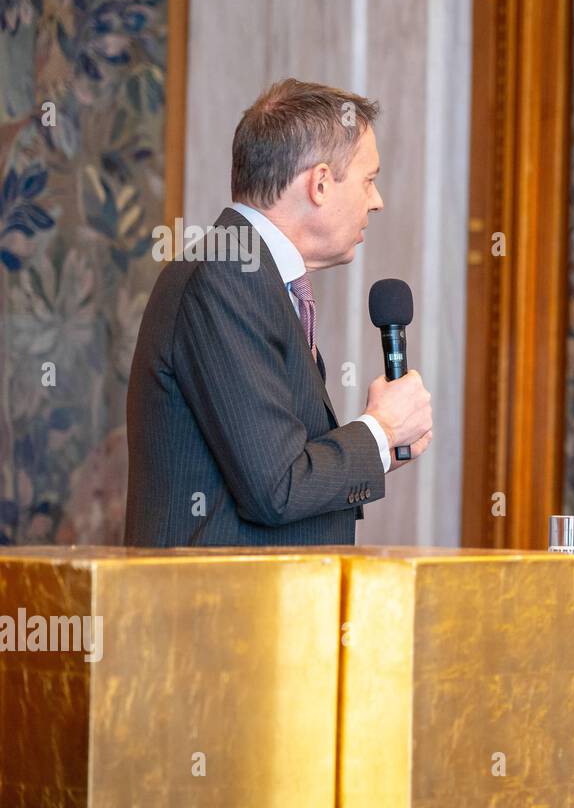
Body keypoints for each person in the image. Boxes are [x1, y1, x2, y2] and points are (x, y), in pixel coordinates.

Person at [124, 78, 433, 546]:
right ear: (321, 183)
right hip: (206, 610)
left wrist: (382, 444)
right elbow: (277, 488)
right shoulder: (225, 277)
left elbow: (278, 470)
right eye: (369, 180)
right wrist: (381, 430)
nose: (378, 200)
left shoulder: (255, 276)